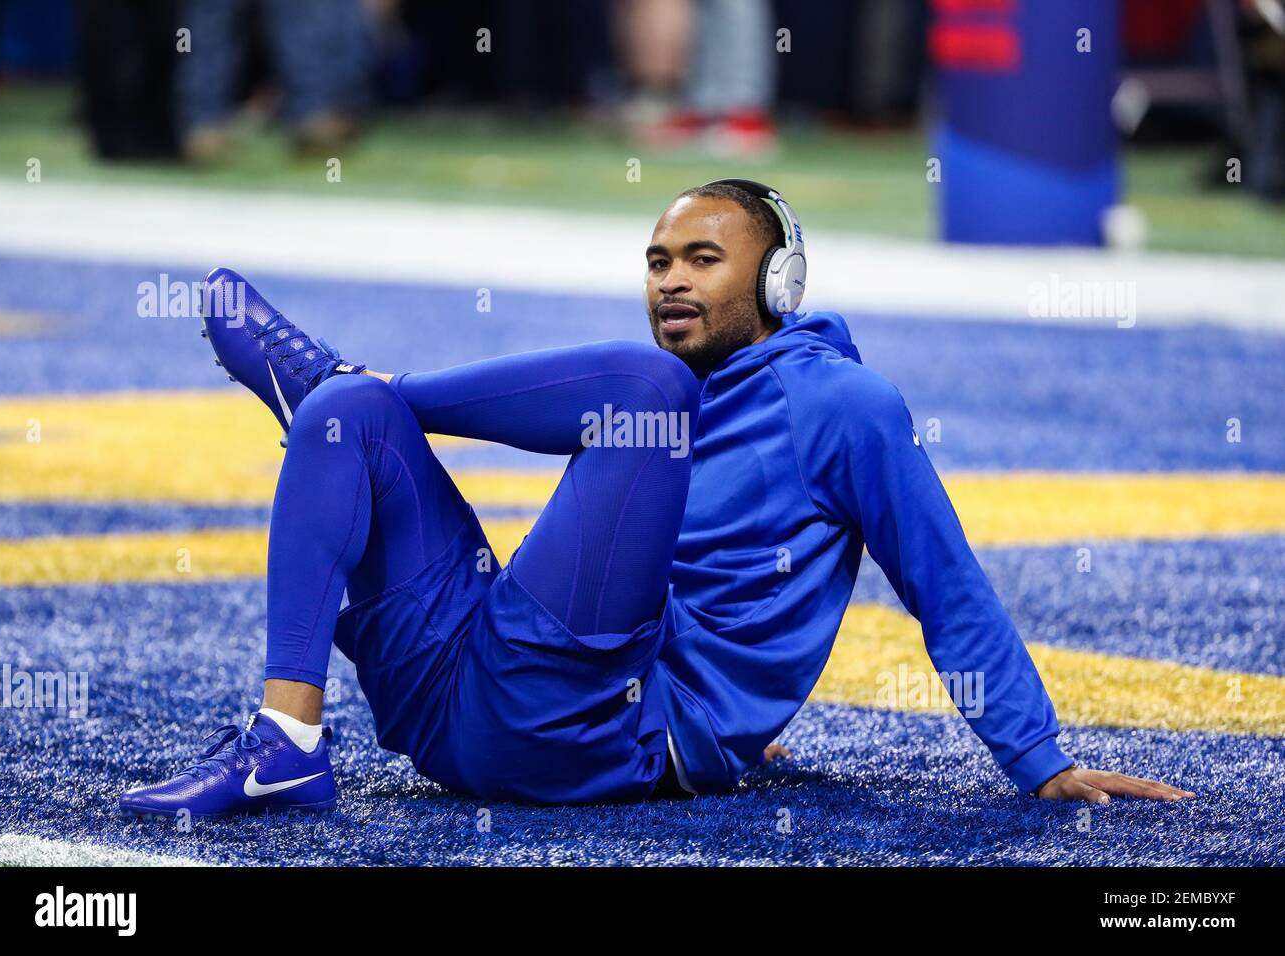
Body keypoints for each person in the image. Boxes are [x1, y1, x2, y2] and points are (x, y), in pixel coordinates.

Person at [119, 179, 1194, 815]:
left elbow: (946, 586)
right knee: (340, 425)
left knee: (625, 391)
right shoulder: (671, 404)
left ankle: (363, 382)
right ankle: (286, 744)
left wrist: (1038, 757)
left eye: (702, 259)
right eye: (656, 260)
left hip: (595, 728)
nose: (670, 278)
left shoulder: (848, 406)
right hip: (456, 695)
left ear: (777, 285)